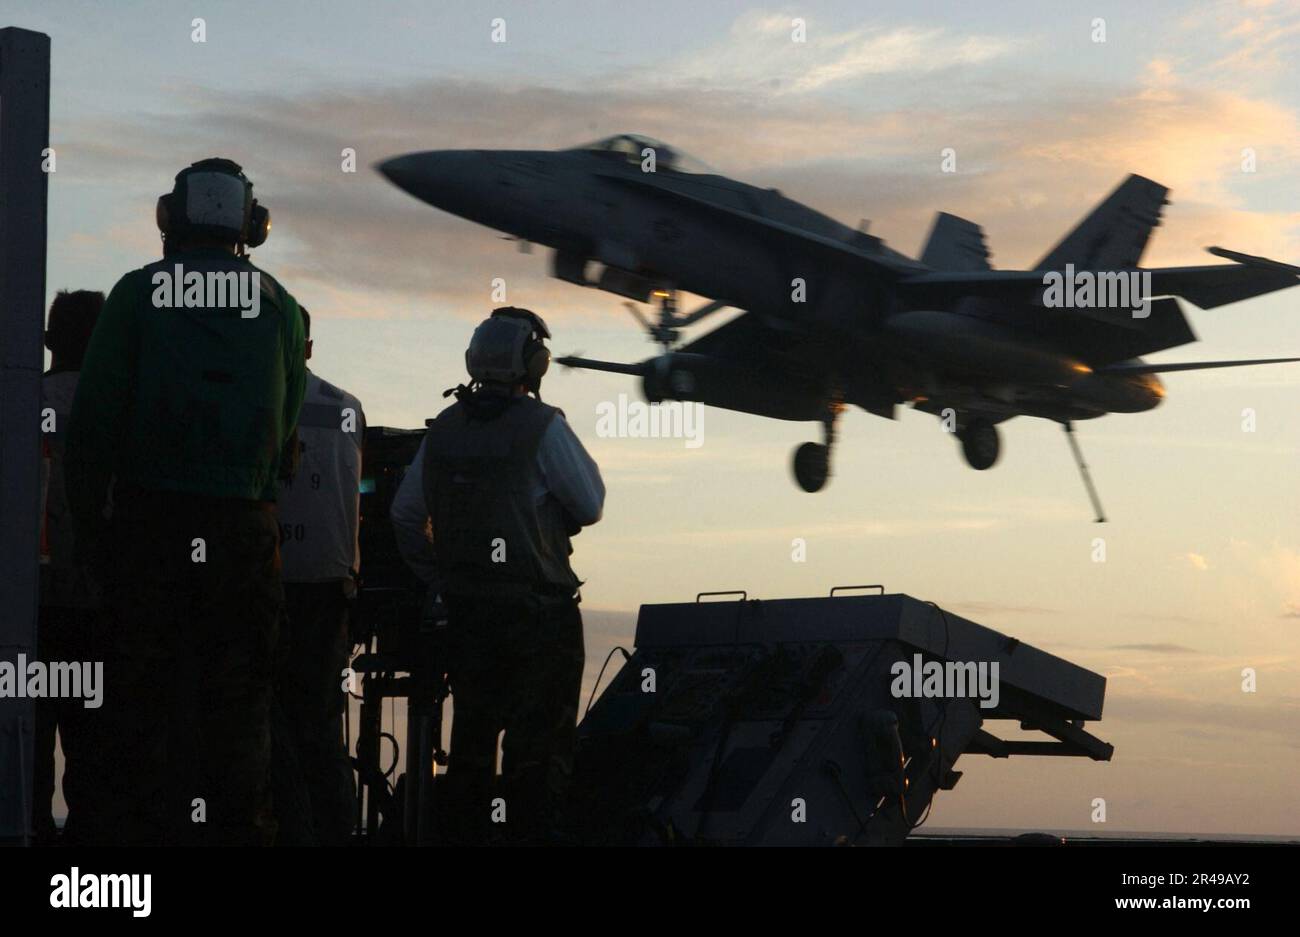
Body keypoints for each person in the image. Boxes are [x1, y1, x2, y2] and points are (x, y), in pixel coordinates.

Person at [65, 157, 306, 846]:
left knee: (136, 728)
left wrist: (94, 537)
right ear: (252, 226)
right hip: (246, 543)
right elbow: (285, 441)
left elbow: (90, 435)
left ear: (170, 218)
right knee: (241, 728)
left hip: (148, 536)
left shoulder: (136, 296)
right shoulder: (283, 308)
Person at [390, 307, 604, 844]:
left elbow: (404, 515)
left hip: (468, 616)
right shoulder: (542, 426)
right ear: (535, 364)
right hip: (539, 619)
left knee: (470, 754)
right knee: (538, 760)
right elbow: (592, 503)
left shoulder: (442, 432)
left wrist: (438, 577)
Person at [275, 305, 364, 846]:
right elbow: (358, 495)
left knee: (262, 722)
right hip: (328, 592)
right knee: (320, 726)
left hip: (267, 584)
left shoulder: (251, 402)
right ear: (309, 348)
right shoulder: (346, 407)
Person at [33, 289, 104, 844]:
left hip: (29, 612)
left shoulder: (22, 406)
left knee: (29, 742)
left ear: (51, 341)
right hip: (101, 611)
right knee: (96, 750)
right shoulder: (121, 411)